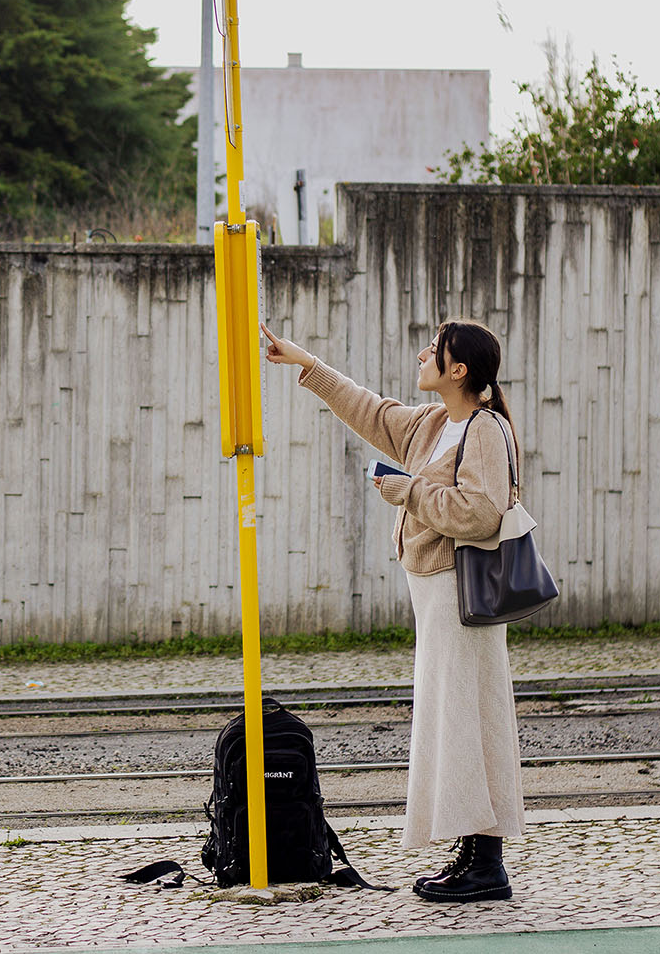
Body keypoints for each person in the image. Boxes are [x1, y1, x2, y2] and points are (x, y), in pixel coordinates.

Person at [260, 318, 525, 903]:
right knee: (452, 720)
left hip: (462, 593)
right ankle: (474, 853)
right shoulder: (436, 424)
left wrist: (409, 492)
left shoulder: (485, 429)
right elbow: (371, 410)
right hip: (436, 592)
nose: (423, 353)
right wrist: (305, 362)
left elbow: (481, 513)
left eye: (436, 349)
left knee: (467, 720)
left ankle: (486, 863)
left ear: (459, 370)